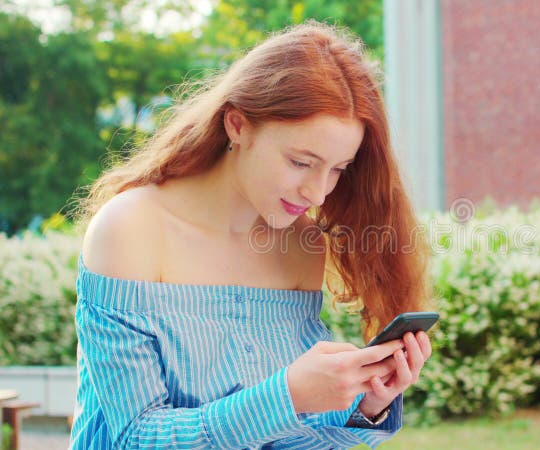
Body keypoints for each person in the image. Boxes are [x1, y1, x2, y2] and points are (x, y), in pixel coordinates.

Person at [69, 21, 432, 449]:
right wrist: (288, 395)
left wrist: (367, 406)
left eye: (338, 169)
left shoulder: (300, 245)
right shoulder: (129, 230)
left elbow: (281, 440)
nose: (317, 191)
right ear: (237, 125)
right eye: (301, 162)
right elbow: (138, 437)